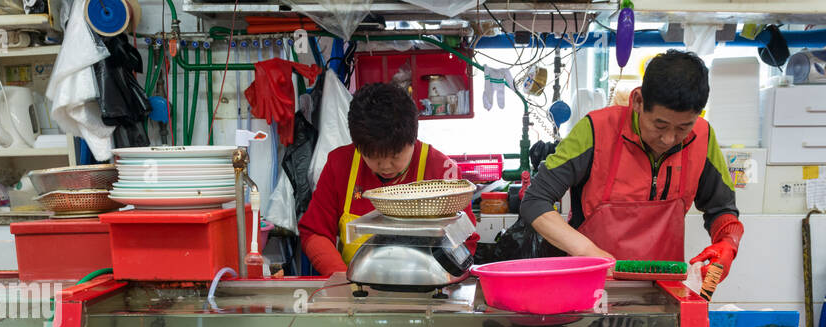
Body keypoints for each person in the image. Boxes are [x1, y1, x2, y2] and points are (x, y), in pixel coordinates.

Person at [519, 51, 743, 281]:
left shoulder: (703, 137)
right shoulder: (596, 130)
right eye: (660, 125)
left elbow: (722, 210)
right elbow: (535, 201)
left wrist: (727, 243)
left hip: (663, 289)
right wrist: (590, 253)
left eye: (683, 128)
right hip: (591, 283)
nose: (668, 139)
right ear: (638, 101)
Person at [299, 82, 477, 276]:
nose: (385, 166)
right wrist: (344, 280)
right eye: (373, 157)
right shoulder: (340, 164)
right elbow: (315, 233)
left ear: (413, 139)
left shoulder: (442, 170)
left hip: (426, 291)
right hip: (357, 292)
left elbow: (464, 242)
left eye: (395, 155)